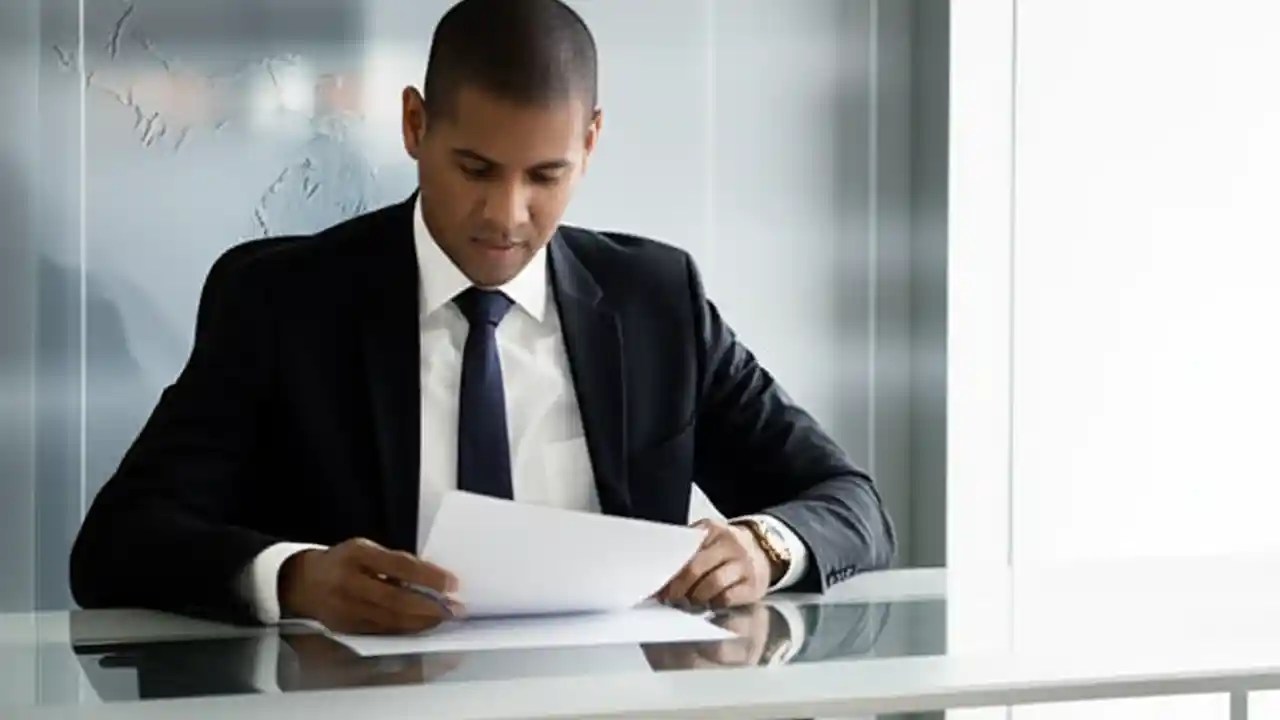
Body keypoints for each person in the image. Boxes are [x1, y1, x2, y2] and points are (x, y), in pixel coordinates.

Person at [70, 0, 895, 634]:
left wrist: (762, 546)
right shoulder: (285, 301)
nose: (507, 213)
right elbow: (119, 542)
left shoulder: (655, 302)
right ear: (414, 126)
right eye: (475, 168)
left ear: (592, 142)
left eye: (546, 175)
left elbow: (848, 501)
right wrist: (295, 578)